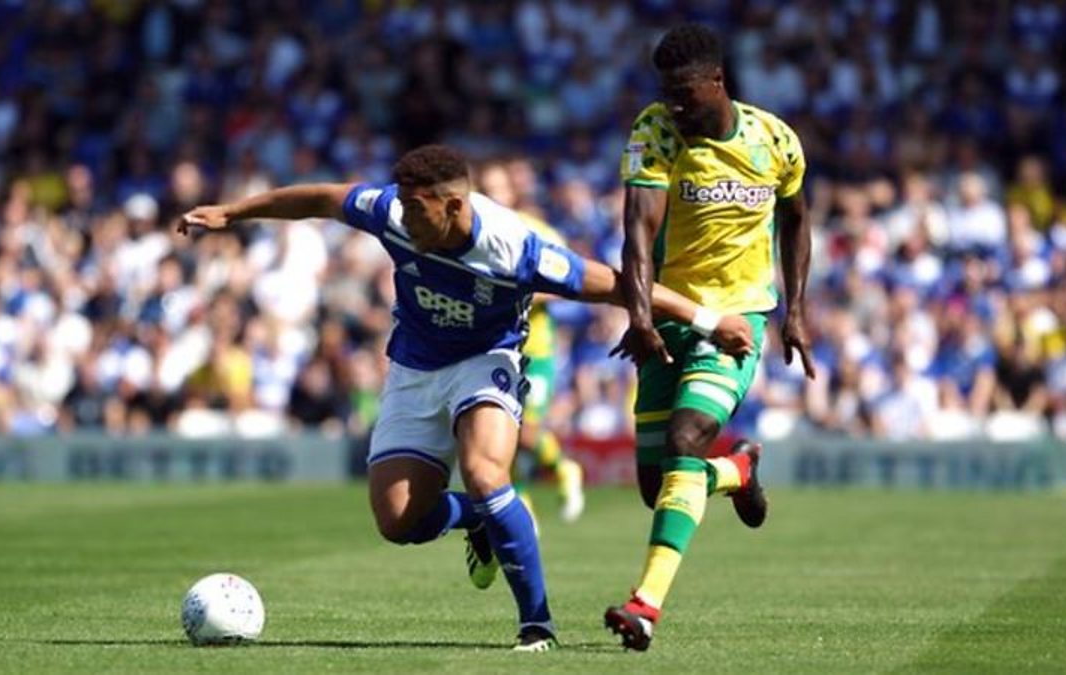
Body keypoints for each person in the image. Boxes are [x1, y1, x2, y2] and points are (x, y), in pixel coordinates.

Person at [179, 144, 757, 652]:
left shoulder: (514, 247)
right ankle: (478, 521)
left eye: (415, 207)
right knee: (398, 521)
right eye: (400, 203)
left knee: (486, 473)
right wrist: (234, 212)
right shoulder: (393, 213)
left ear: (453, 205)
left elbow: (611, 282)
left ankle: (537, 626)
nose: (401, 214)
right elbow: (325, 199)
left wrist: (708, 319)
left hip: (487, 363)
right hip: (413, 368)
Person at [605, 25, 817, 651]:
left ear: (717, 82)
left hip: (739, 319)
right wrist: (641, 316)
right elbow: (638, 232)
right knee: (660, 486)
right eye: (666, 92)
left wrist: (796, 311)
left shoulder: (775, 140)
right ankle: (738, 469)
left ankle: (645, 606)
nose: (674, 104)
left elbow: (798, 221)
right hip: (670, 312)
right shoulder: (656, 131)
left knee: (684, 439)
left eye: (684, 92)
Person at [477, 160, 585, 525]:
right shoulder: (471, 237)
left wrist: (511, 295)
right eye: (485, 189)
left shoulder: (538, 232)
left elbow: (568, 285)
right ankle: (523, 514)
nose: (492, 196)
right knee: (497, 441)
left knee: (527, 435)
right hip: (489, 351)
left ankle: (564, 468)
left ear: (512, 191)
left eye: (498, 188)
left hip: (533, 350)